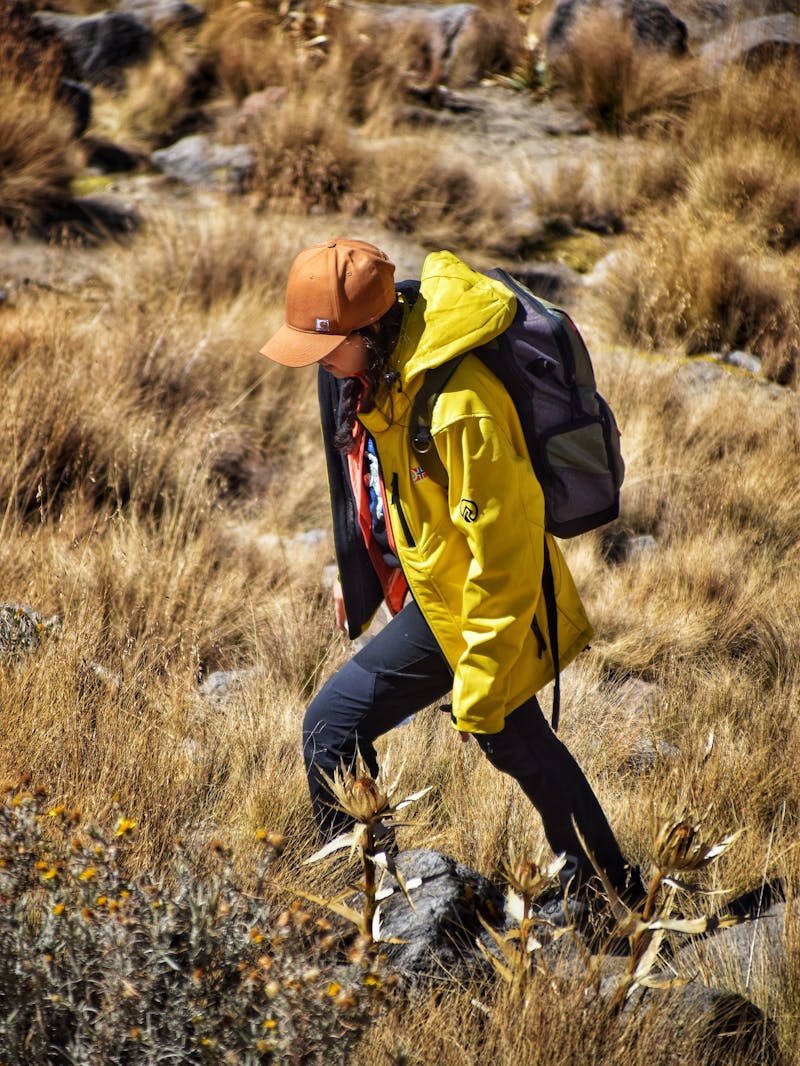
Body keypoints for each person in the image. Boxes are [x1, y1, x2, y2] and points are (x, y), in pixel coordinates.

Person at [259, 237, 638, 914]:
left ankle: (370, 905)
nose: (319, 366)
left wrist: (484, 678)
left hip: (483, 609)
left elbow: (507, 557)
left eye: (325, 348)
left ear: (370, 329)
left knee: (333, 728)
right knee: (520, 746)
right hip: (447, 601)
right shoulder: (386, 373)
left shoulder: (460, 405)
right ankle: (613, 894)